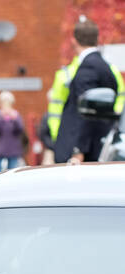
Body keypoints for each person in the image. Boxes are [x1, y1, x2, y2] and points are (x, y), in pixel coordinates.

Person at [49, 17, 123, 164]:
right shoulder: (106, 67)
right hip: (98, 145)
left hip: (82, 153)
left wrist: (79, 150)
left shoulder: (88, 68)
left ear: (74, 40)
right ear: (97, 39)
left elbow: (86, 114)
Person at [0, 92, 27, 176]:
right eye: (4, 102)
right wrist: (0, 118)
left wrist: (14, 119)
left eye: (8, 102)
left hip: (13, 150)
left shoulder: (16, 115)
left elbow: (20, 129)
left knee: (13, 175)